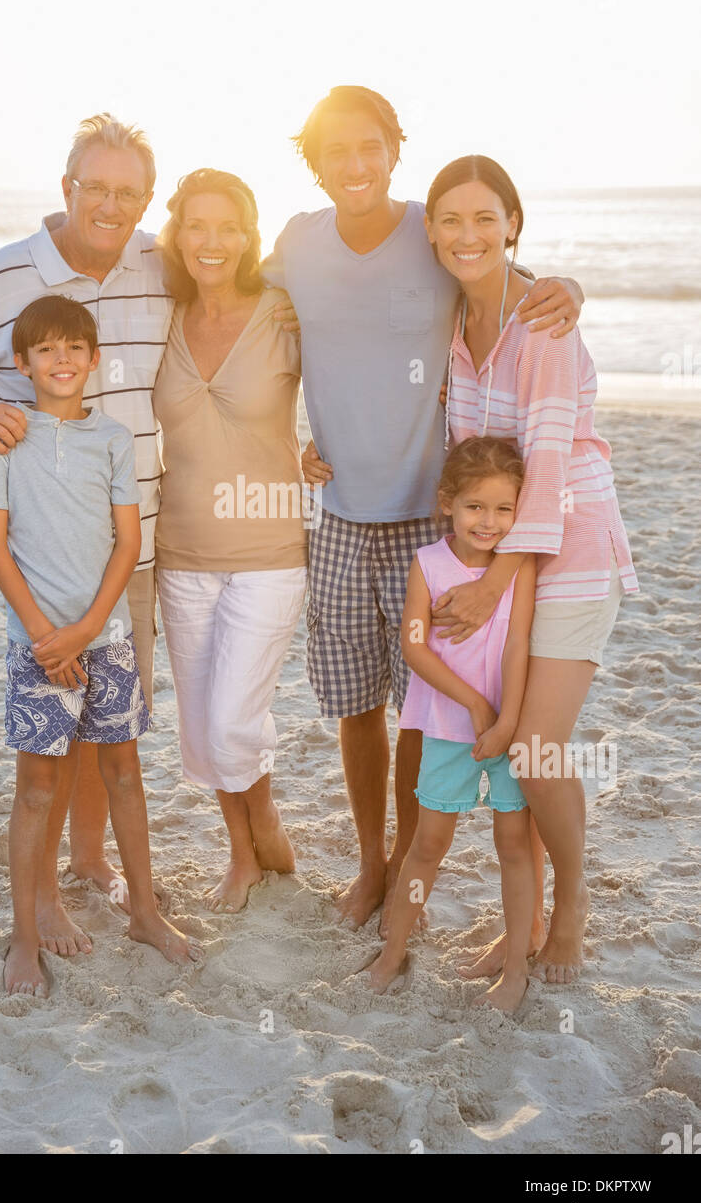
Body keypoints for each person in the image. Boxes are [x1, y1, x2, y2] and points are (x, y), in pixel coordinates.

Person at [263, 84, 585, 932]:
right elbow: (233, 299)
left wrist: (567, 286)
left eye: (369, 146)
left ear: (394, 150)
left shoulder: (436, 234)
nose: (355, 164)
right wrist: (294, 441)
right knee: (356, 703)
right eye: (335, 150)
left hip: (430, 522)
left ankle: (411, 866)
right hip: (338, 513)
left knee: (423, 706)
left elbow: (499, 281)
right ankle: (373, 863)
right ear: (315, 161)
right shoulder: (296, 242)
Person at [0, 114, 172, 953]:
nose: (111, 204)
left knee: (108, 738)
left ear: (145, 200)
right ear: (67, 187)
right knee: (49, 751)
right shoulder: (0, 277)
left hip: (130, 543)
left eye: (128, 192)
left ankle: (94, 866)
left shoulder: (159, 262)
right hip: (39, 562)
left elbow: (244, 273)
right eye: (96, 187)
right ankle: (45, 904)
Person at [425, 154, 639, 983]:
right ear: (433, 233)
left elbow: (544, 470)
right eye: (450, 220)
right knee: (507, 747)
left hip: (571, 554)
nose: (467, 234)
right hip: (501, 557)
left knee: (536, 750)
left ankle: (572, 909)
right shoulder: (448, 324)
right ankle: (532, 919)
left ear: (513, 224)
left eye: (485, 218)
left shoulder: (544, 325)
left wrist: (487, 585)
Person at [0, 295, 199, 995]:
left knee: (125, 775)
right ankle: (24, 938)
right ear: (23, 363)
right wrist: (48, 638)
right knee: (38, 789)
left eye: (74, 348)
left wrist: (86, 628)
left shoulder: (113, 439)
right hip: (35, 648)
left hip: (107, 641)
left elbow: (129, 541)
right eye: (45, 350)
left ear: (94, 359)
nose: (62, 360)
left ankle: (146, 913)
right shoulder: (5, 439)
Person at [153, 170, 307, 912]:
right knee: (202, 724)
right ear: (176, 233)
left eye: (228, 228)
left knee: (232, 719)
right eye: (196, 226)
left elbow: (367, 346)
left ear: (249, 236)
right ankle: (243, 853)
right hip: (180, 552)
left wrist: (327, 450)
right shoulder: (161, 310)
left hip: (269, 551)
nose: (211, 242)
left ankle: (265, 824)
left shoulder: (283, 309)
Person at [367, 438, 537, 1012]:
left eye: (504, 509)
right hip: (446, 727)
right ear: (448, 503)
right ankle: (392, 952)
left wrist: (507, 718)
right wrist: (474, 706)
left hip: (507, 729)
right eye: (475, 507)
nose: (488, 522)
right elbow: (415, 649)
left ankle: (514, 969)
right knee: (427, 845)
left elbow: (517, 645)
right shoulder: (428, 564)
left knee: (514, 847)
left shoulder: (521, 569)